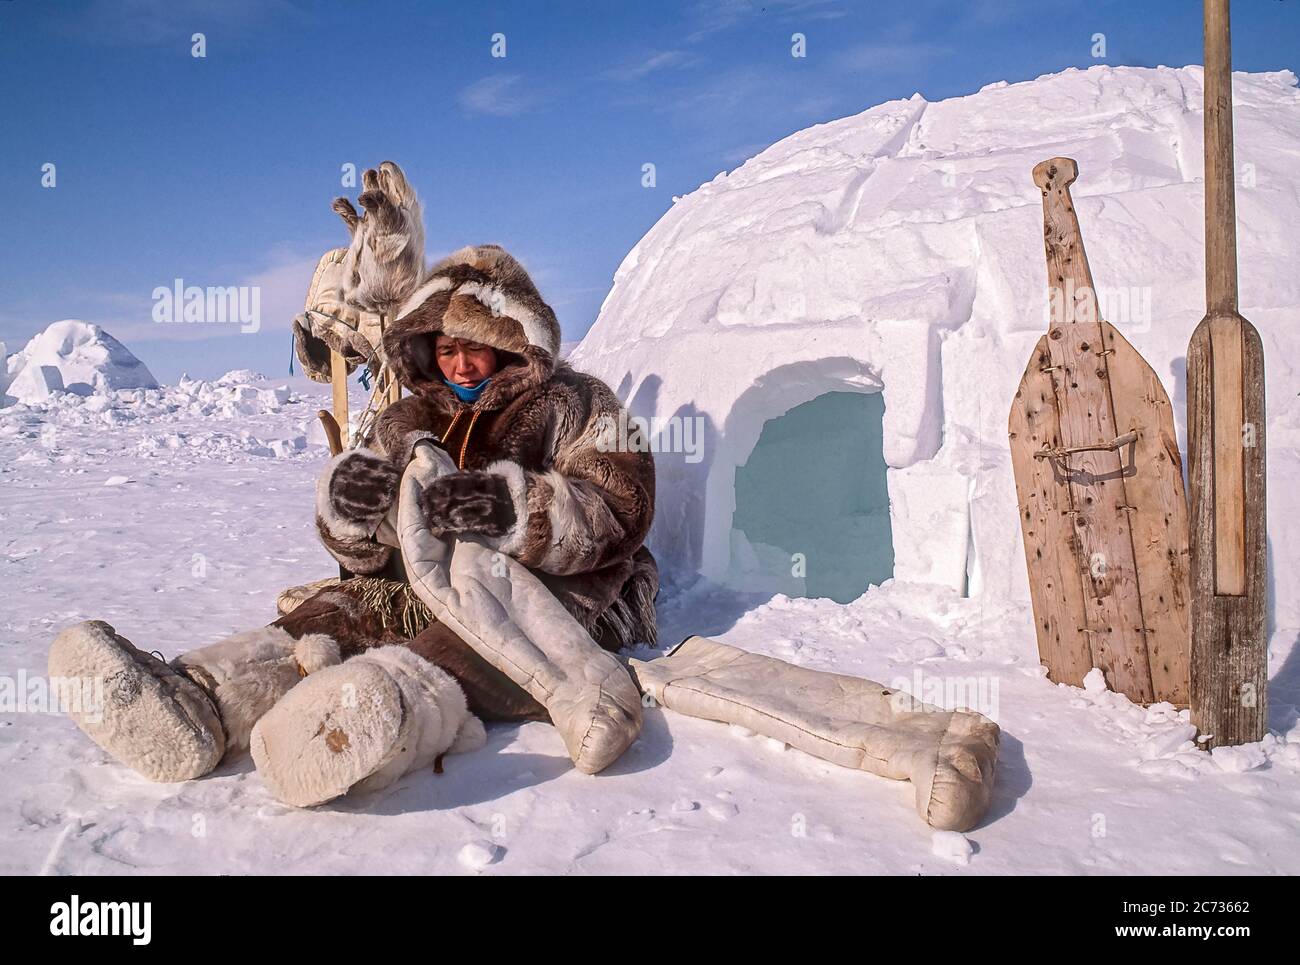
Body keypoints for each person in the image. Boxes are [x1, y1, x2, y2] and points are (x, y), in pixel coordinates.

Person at [49, 230, 659, 802]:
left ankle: (349, 727)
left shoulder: (580, 403)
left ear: (512, 343)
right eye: (447, 349)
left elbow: (619, 510)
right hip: (417, 584)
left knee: (453, 652)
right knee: (333, 615)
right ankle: (199, 700)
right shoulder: (407, 421)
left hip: (555, 596)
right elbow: (351, 553)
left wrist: (498, 508)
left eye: (477, 347)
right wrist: (354, 512)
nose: (461, 366)